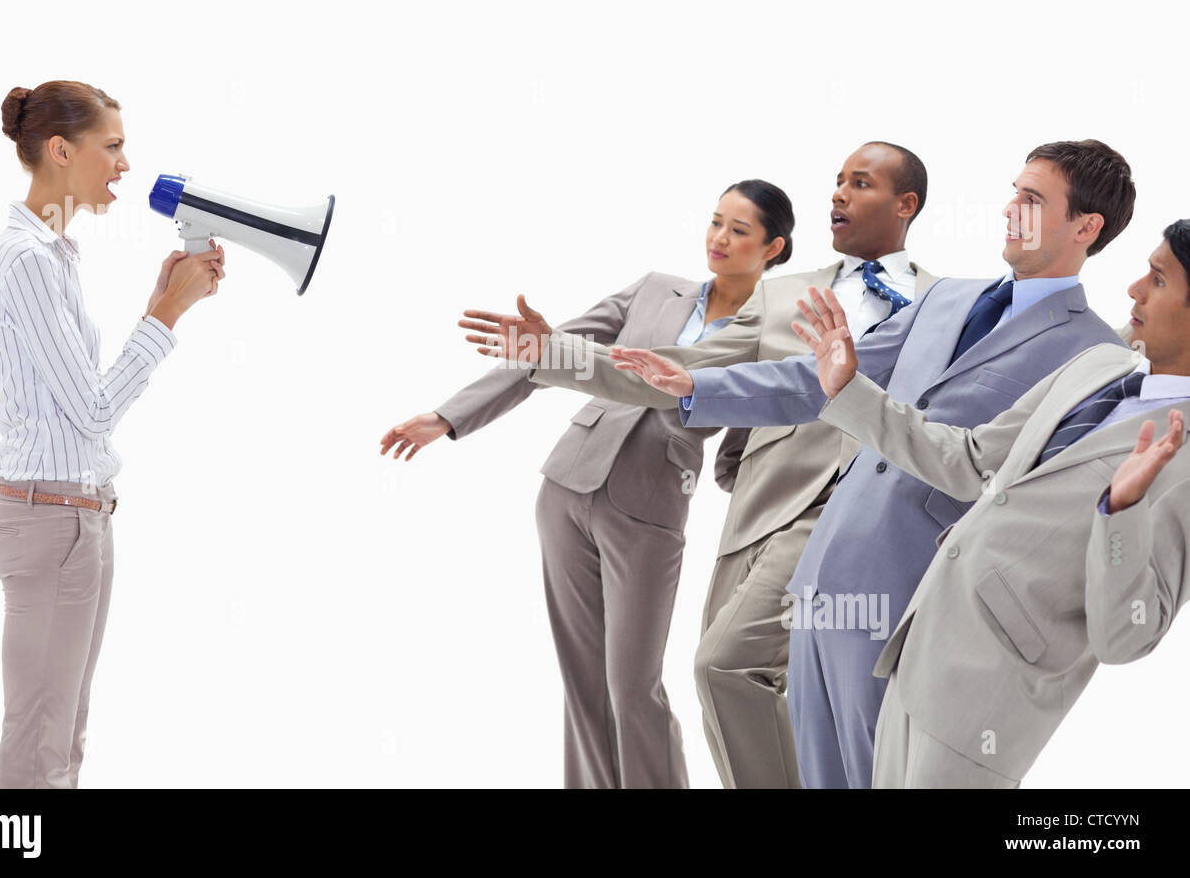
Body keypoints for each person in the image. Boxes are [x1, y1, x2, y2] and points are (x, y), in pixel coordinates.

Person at [516, 139, 1135, 787]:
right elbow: (817, 381)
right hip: (827, 566)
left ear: (1085, 226)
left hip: (913, 596)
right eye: (1014, 191)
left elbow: (1013, 491)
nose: (1010, 208)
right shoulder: (947, 299)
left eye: (1031, 199)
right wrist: (695, 387)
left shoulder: (1090, 355)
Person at [460, 142, 937, 788]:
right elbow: (669, 374)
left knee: (853, 696)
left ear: (905, 204)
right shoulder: (780, 300)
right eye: (837, 182)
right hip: (774, 516)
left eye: (860, 183)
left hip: (886, 511)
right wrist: (553, 356)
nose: (839, 195)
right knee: (716, 672)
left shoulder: (948, 306)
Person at [383, 180, 791, 787]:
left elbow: (745, 450)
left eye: (739, 230)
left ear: (773, 248)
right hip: (568, 484)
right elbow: (549, 352)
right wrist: (449, 416)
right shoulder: (656, 289)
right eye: (714, 222)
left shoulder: (770, 334)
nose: (719, 240)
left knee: (633, 689)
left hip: (653, 508)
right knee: (583, 683)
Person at [796, 219, 1190, 787]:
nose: (1134, 289)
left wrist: (1121, 513)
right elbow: (970, 460)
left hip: (989, 704)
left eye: (1157, 278)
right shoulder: (1100, 367)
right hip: (917, 650)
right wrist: (848, 390)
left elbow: (1128, 634)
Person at [0, 80, 225, 788]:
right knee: (40, 746)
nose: (124, 165)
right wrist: (168, 317)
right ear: (61, 150)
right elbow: (90, 412)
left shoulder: (54, 255)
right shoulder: (26, 260)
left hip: (74, 518)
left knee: (61, 738)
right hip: (51, 520)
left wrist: (158, 304)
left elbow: (71, 405)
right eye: (112, 147)